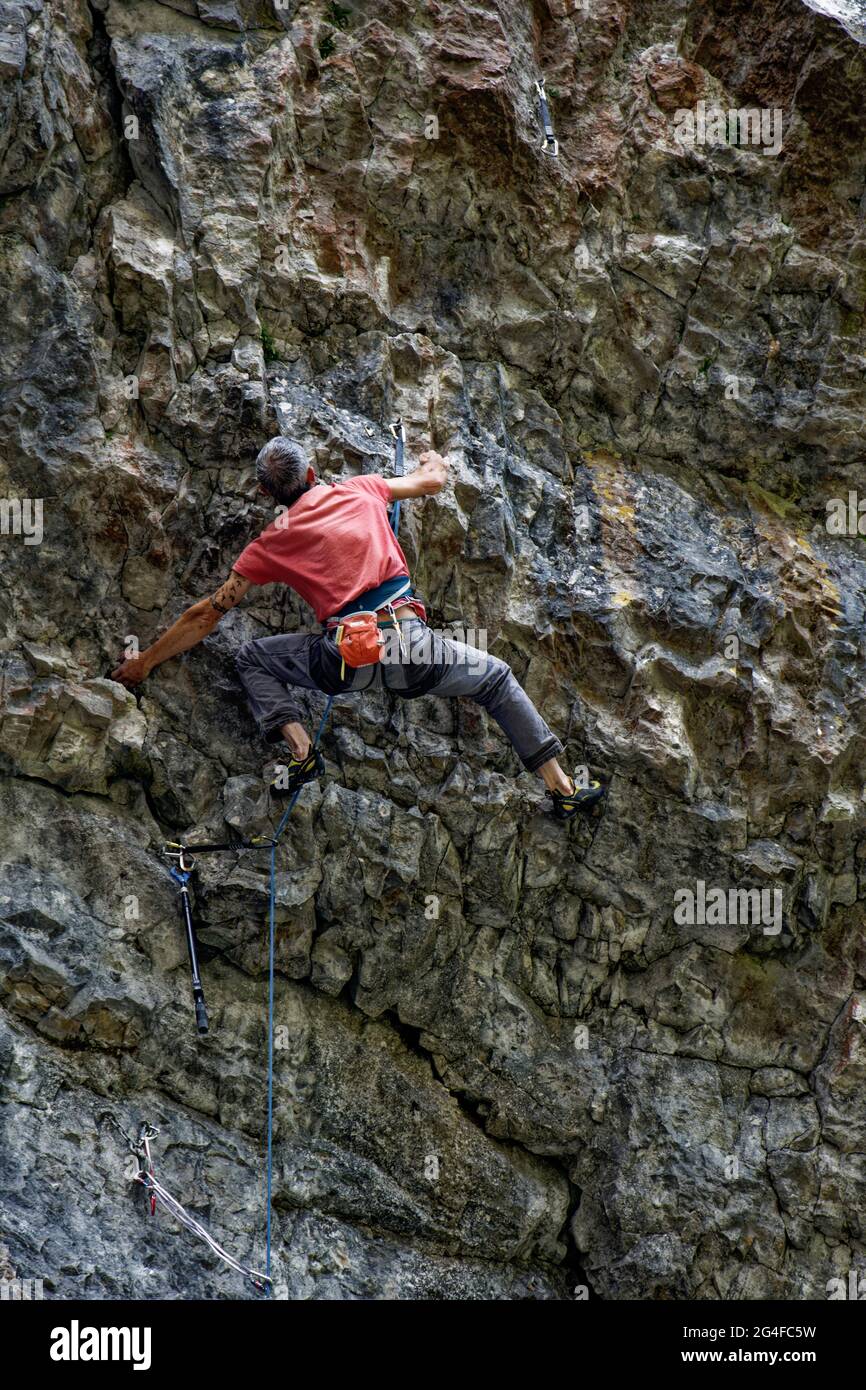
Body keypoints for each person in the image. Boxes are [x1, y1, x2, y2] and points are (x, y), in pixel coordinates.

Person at [111, 437, 604, 818]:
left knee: (251, 658)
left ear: (265, 493)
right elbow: (431, 482)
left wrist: (144, 662)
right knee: (495, 679)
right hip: (412, 650)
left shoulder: (270, 542)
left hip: (345, 660)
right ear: (311, 473)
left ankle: (302, 751)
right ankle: (562, 787)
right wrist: (433, 457)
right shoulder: (360, 489)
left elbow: (206, 614)